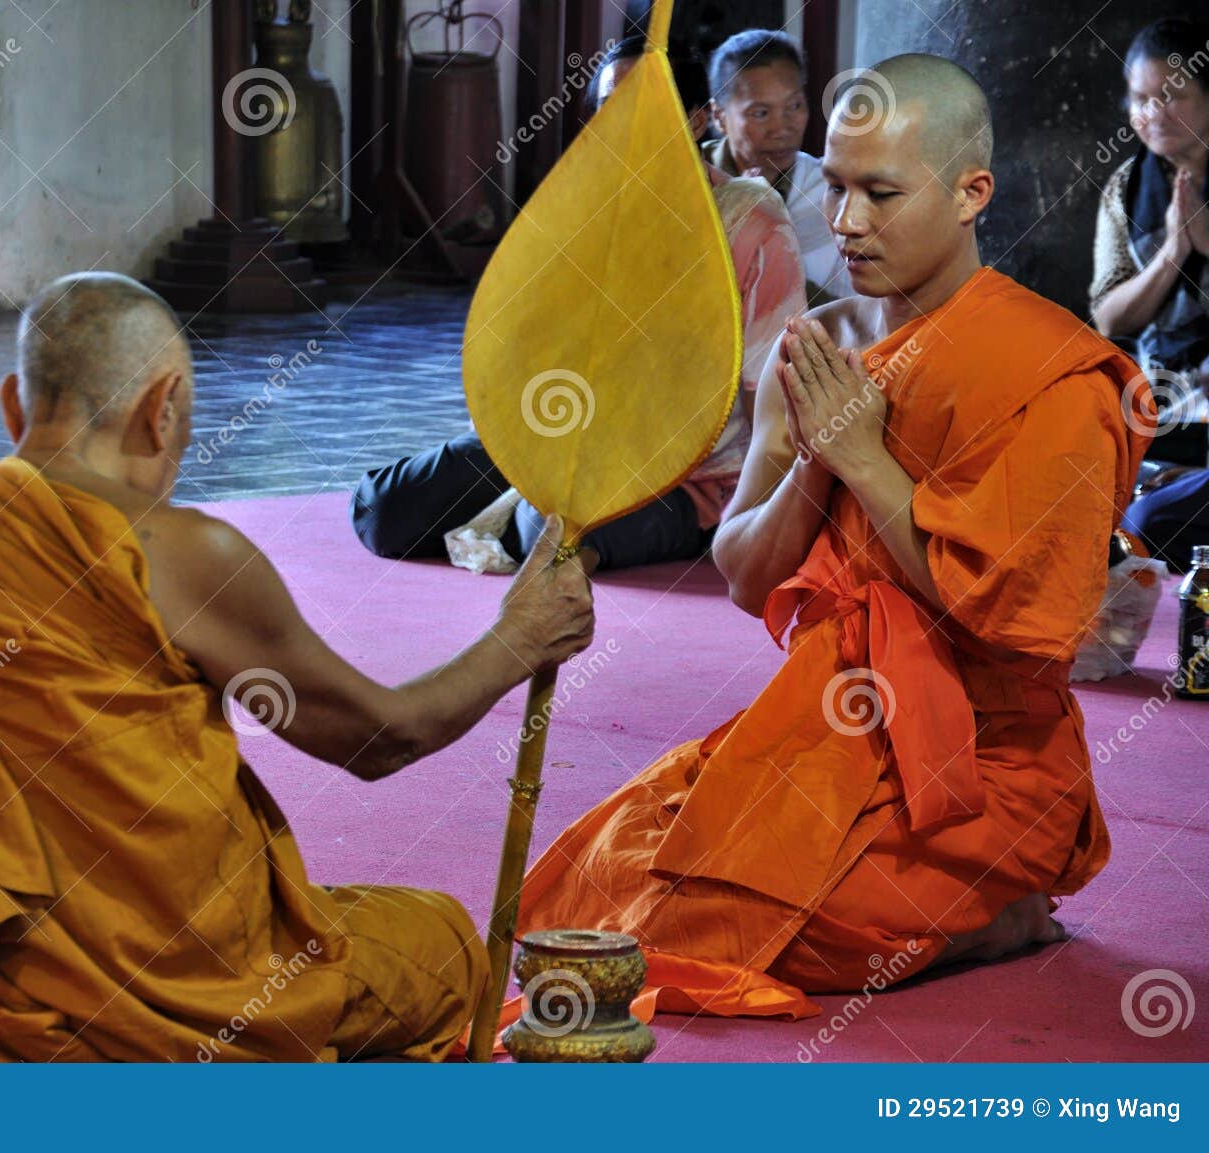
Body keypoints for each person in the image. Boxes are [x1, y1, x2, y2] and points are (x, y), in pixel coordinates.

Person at [0, 272, 595, 1062]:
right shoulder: (180, 552)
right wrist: (520, 636)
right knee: (441, 946)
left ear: (11, 406)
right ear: (161, 411)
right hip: (156, 997)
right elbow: (378, 738)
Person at [515, 54, 1153, 1020]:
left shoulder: (1049, 373)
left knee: (807, 932)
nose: (844, 222)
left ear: (971, 191)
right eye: (839, 187)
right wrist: (820, 457)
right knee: (612, 885)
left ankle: (1009, 911)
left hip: (986, 763)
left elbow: (1023, 625)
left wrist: (865, 459)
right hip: (834, 727)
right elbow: (739, 571)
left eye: (880, 194)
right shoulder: (816, 348)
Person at [351, 38, 806, 574]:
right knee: (384, 510)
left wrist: (757, 516)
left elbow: (770, 389)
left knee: (544, 531)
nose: (630, 129)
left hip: (688, 473)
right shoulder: (582, 210)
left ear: (698, 119)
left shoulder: (749, 220)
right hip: (565, 432)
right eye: (613, 112)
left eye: (652, 111)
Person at [1092, 18, 1209, 572]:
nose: (1152, 113)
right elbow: (1108, 317)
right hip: (1160, 412)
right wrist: (1172, 255)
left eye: (1171, 96)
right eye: (1140, 98)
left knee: (1145, 527)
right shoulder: (1128, 186)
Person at [703, 28, 853, 306]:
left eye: (794, 106)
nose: (782, 128)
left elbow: (851, 309)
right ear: (719, 117)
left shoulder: (828, 188)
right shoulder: (692, 183)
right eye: (760, 113)